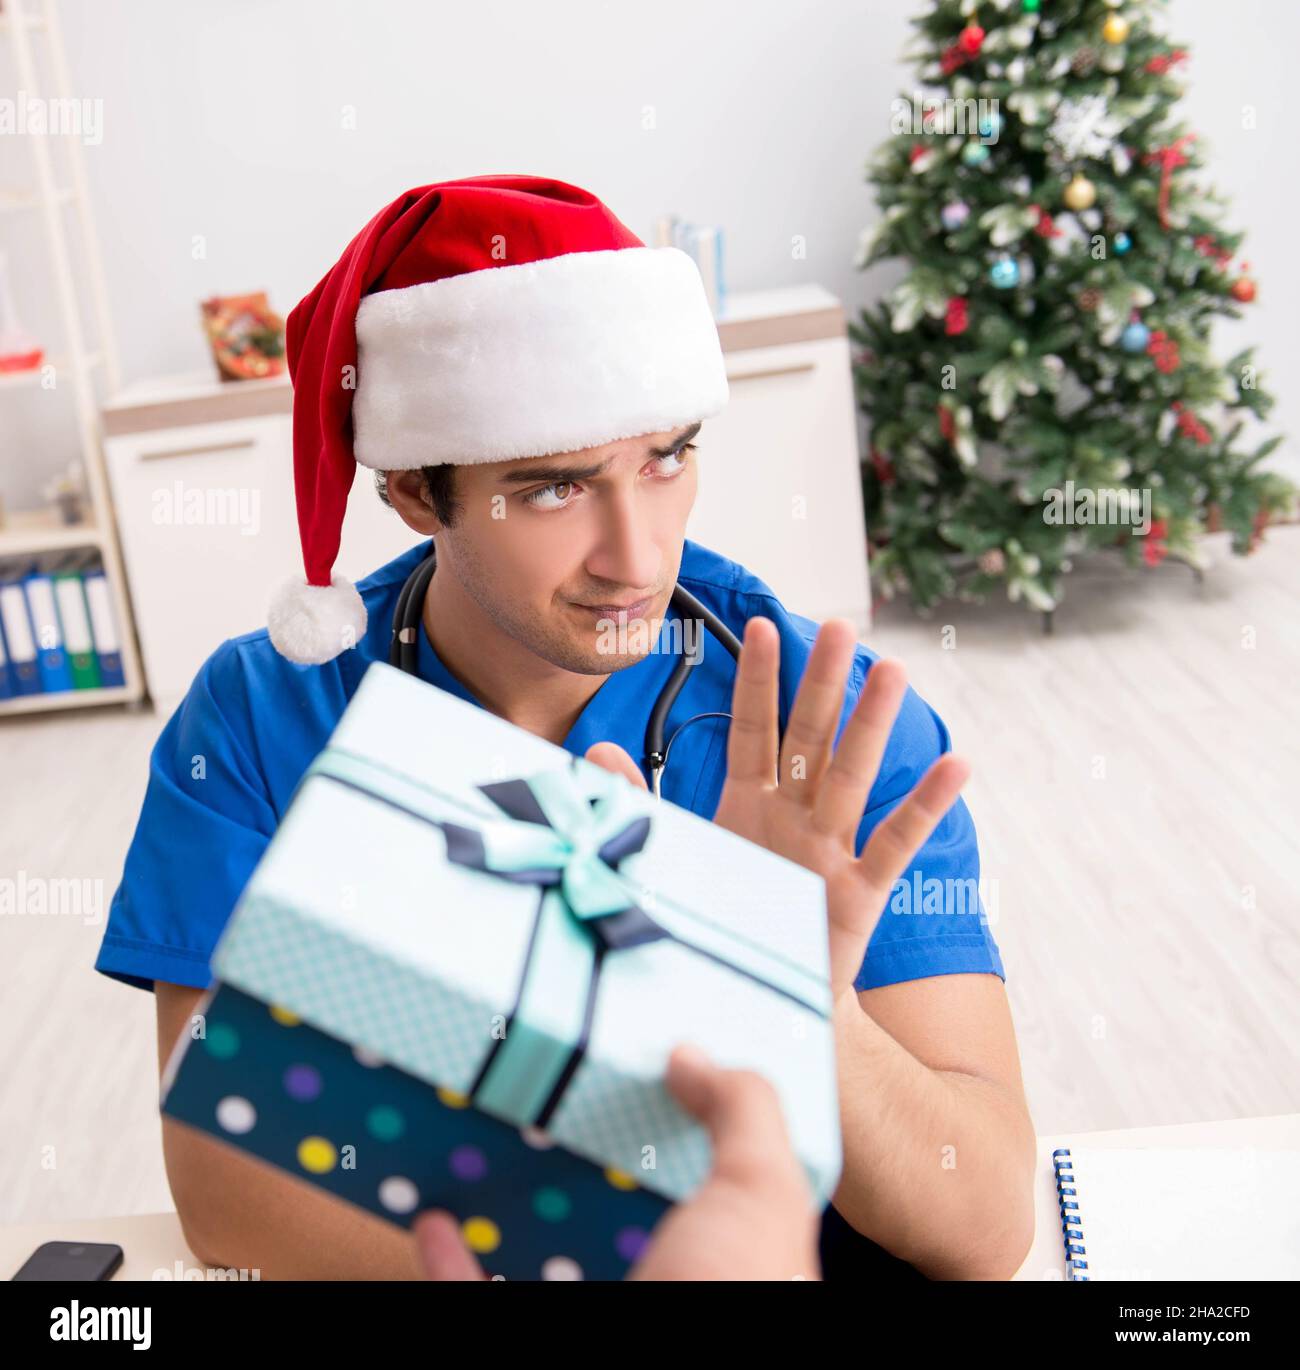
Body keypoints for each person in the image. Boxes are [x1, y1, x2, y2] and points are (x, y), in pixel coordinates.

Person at [97, 175, 1035, 1280]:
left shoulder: (820, 726)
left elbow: (983, 1226)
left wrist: (794, 995)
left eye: (666, 458)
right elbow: (227, 1197)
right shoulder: (263, 718)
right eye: (552, 489)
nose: (635, 557)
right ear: (410, 489)